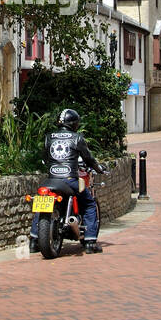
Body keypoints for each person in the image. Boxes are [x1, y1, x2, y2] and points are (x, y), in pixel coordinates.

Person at [31, 108, 104, 254]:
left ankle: (33, 241)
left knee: (41, 205)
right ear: (74, 123)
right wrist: (98, 168)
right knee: (89, 204)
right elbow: (88, 157)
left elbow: (45, 157)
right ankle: (90, 242)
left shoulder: (48, 137)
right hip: (69, 180)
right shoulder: (76, 138)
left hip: (50, 180)